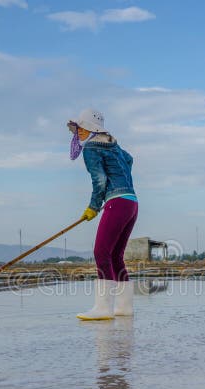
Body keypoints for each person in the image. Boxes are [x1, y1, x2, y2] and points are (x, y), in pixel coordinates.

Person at [68, 109, 138, 320]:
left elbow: (99, 180)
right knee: (115, 256)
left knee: (101, 253)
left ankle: (103, 308)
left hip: (116, 202)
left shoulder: (91, 147)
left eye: (81, 128)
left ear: (90, 128)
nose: (78, 132)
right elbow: (129, 159)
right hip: (132, 202)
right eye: (77, 129)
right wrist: (122, 180)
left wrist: (93, 206)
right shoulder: (112, 144)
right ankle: (124, 307)